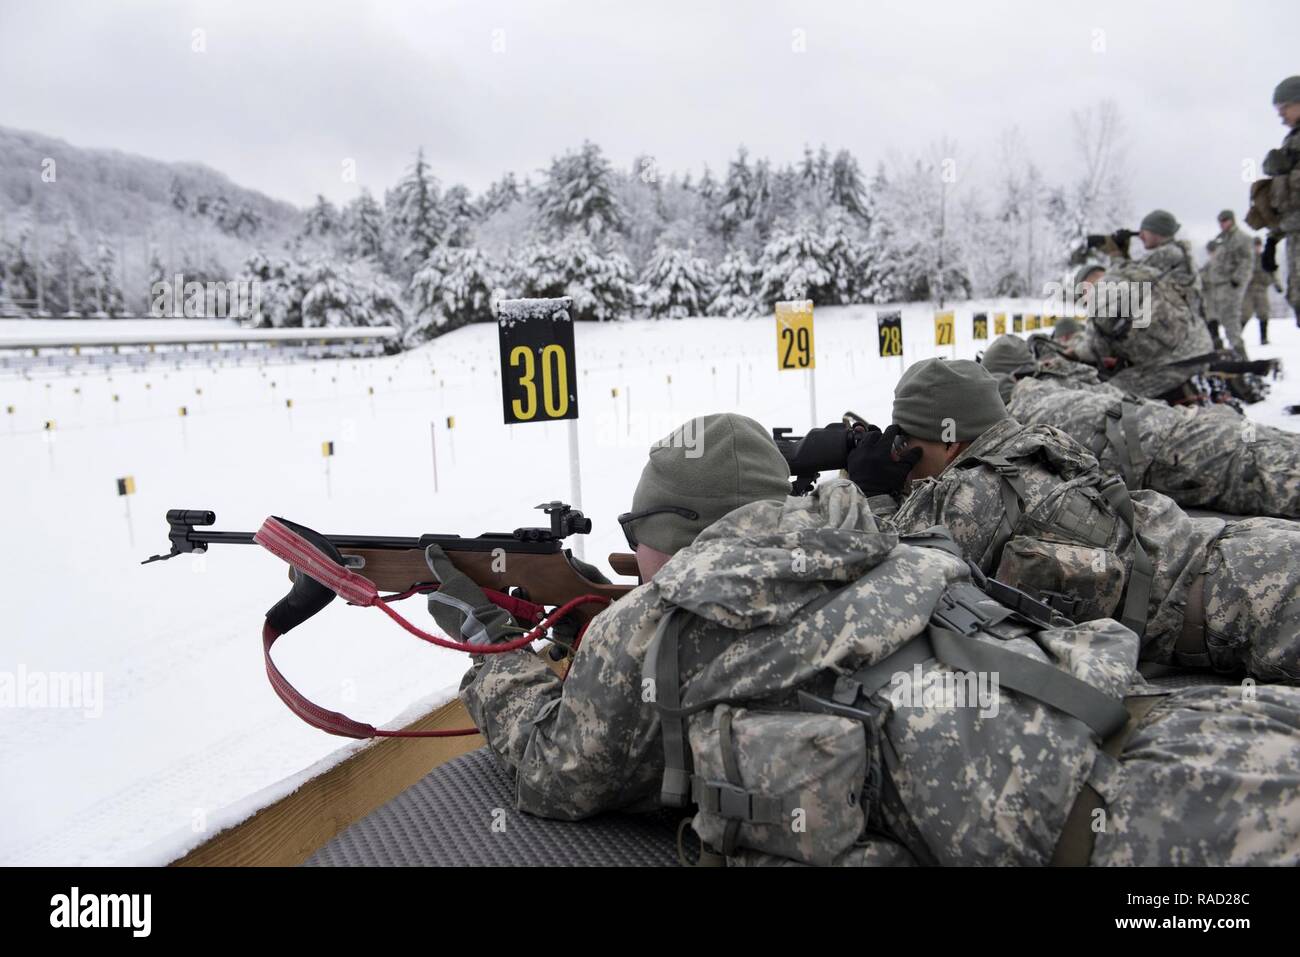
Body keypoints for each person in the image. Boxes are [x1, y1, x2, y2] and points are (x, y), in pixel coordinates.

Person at [426, 411, 1300, 866]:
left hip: (1147, 847)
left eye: (637, 525)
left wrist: (490, 648)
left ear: (675, 531)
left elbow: (553, 772)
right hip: (1163, 721)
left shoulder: (663, 622)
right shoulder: (887, 538)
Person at [850, 358, 1300, 684]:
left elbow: (901, 578)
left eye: (910, 445)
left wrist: (874, 496)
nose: (905, 460)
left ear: (950, 444)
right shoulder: (1036, 444)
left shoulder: (975, 493)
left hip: (1256, 602)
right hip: (1245, 549)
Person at [1002, 373, 1300, 518]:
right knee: (1263, 446)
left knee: (1269, 477)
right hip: (1184, 422)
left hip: (1169, 453)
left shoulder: (1017, 423)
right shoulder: (1046, 388)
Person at [1069, 210, 1215, 401]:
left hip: (1176, 360)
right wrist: (1119, 256)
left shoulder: (1167, 255)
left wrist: (1073, 351)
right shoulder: (1177, 257)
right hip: (1196, 346)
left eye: (1143, 232)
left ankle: (1188, 394)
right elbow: (1138, 279)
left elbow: (1096, 347)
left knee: (1104, 396)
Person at [1262, 76, 1300, 324]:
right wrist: (1273, 238)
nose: (1280, 115)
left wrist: (1278, 231)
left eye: (1284, 107)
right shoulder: (1294, 141)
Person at [1204, 210, 1254, 358]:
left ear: (1232, 220)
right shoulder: (1221, 239)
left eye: (1225, 220)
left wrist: (1237, 279)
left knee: (1230, 320)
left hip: (1230, 285)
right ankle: (1227, 353)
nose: (1222, 224)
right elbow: (1214, 263)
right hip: (1216, 285)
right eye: (1220, 221)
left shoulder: (1241, 238)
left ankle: (1241, 356)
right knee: (1213, 317)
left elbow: (1247, 261)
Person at [1242, 236, 1283, 345]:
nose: (1257, 248)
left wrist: (1277, 285)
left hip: (1262, 289)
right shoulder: (1247, 259)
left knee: (1264, 313)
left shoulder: (1266, 258)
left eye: (1258, 245)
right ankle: (1237, 337)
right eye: (1255, 245)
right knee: (1245, 313)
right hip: (1249, 290)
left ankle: (1264, 338)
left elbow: (1273, 272)